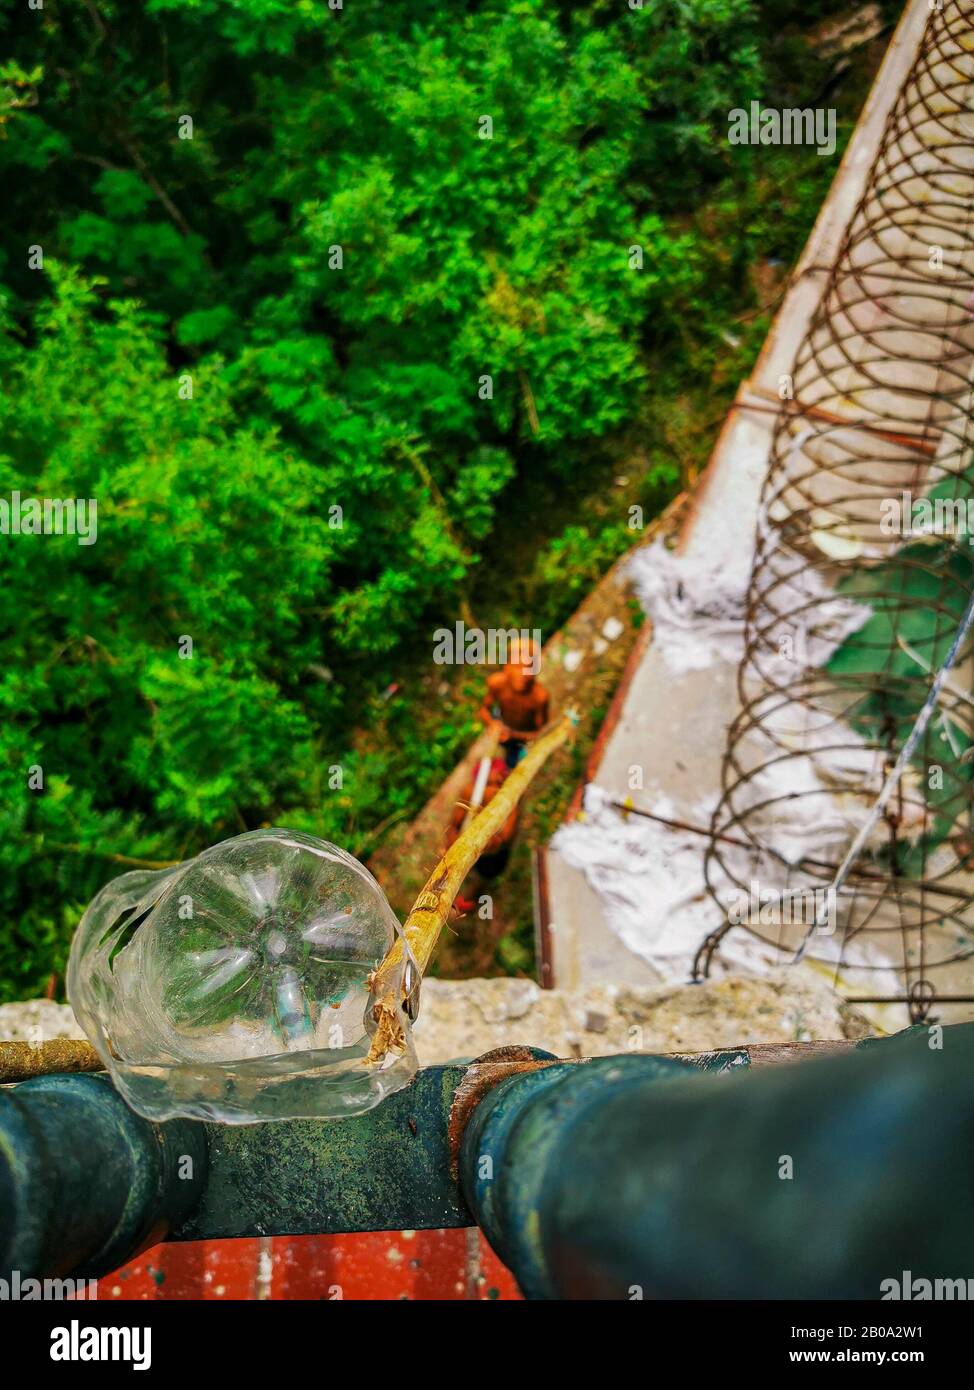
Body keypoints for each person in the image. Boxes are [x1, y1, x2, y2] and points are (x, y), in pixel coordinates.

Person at [446, 757, 520, 914]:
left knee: (484, 877)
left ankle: (473, 898)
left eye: (497, 781)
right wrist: (452, 857)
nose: (493, 788)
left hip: (490, 858)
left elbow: (505, 837)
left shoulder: (508, 801)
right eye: (489, 783)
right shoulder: (470, 792)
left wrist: (487, 844)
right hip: (469, 850)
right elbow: (453, 826)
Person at [477, 636, 550, 768]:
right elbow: (482, 710)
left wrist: (513, 735)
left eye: (529, 668)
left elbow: (541, 733)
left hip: (521, 738)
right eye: (518, 667)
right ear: (506, 666)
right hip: (502, 726)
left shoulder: (539, 697)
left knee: (514, 764)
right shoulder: (496, 683)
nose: (523, 674)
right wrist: (492, 724)